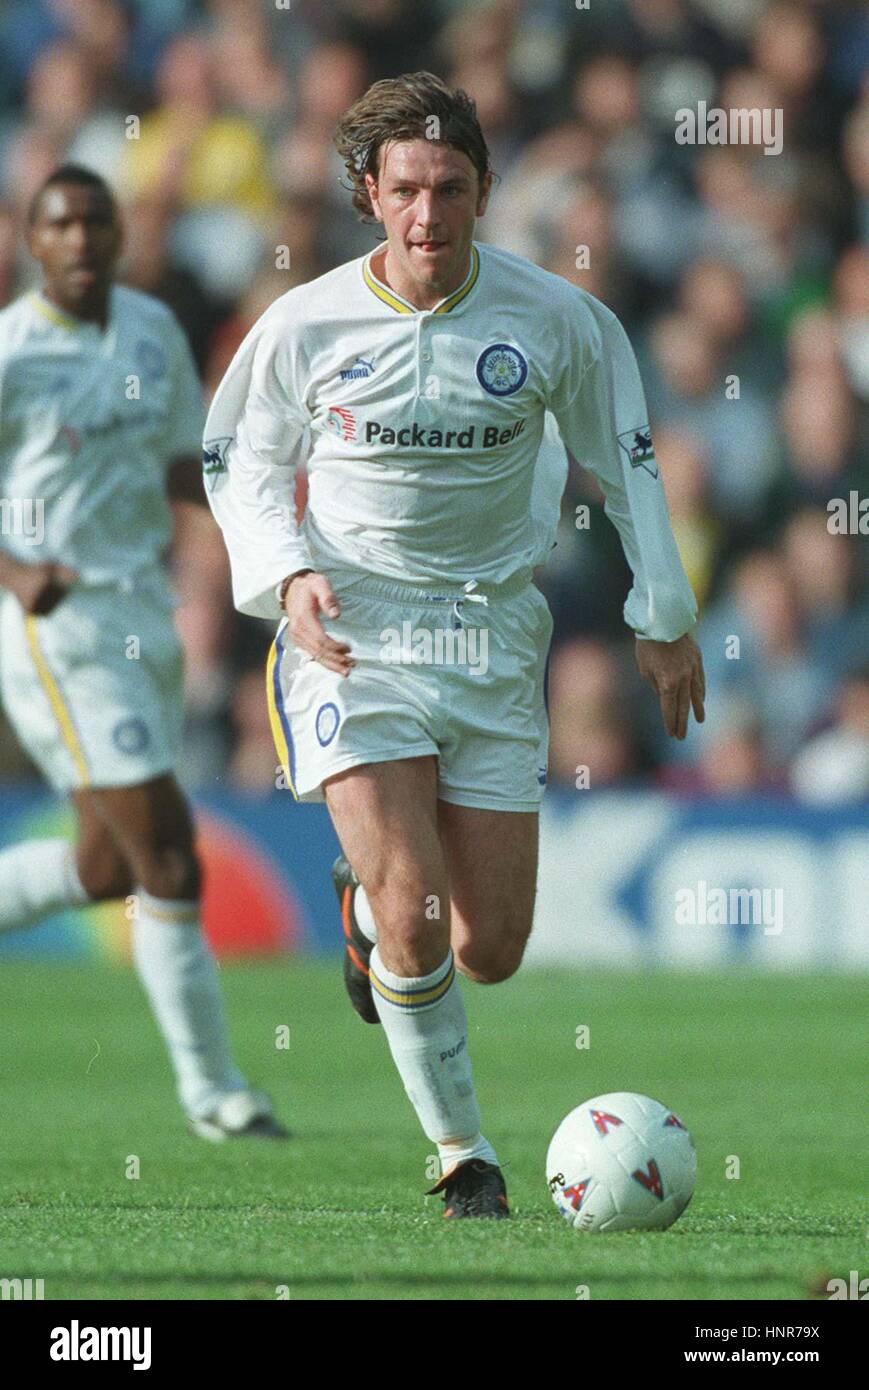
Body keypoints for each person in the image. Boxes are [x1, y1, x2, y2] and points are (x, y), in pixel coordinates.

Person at [204, 74, 704, 1216]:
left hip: (488, 629)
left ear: (483, 191)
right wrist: (286, 577)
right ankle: (461, 1154)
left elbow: (624, 466)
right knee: (417, 912)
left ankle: (359, 909)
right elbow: (231, 462)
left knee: (489, 948)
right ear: (365, 196)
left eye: (450, 188)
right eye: (405, 191)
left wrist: (661, 618)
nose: (427, 214)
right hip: (352, 633)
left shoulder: (557, 320)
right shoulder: (303, 324)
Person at [0, 165, 285, 1142]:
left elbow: (175, 462)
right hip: (54, 621)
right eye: (60, 223)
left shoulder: (152, 333)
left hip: (140, 611)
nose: (80, 238)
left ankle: (216, 1093)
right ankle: (218, 1096)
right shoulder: (12, 353)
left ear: (119, 238)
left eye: (95, 222)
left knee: (103, 865)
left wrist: (260, 518)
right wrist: (14, 567)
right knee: (166, 852)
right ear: (35, 243)